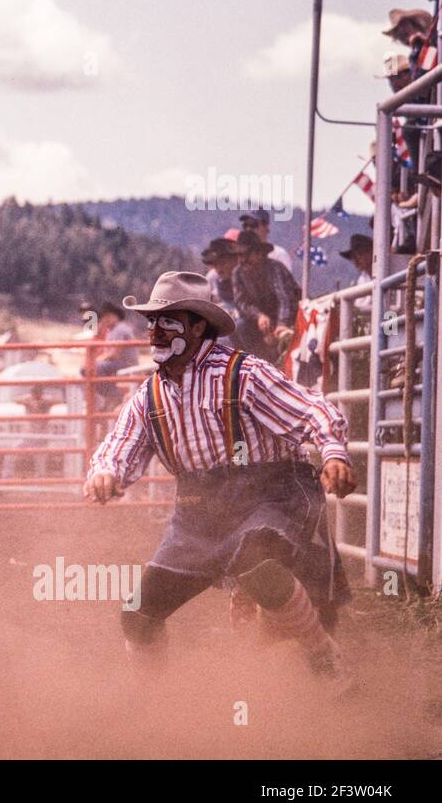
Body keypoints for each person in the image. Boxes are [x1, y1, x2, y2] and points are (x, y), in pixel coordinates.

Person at [83, 271, 356, 690]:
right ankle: (151, 697)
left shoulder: (243, 374)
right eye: (152, 321)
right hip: (200, 515)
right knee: (137, 613)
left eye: (167, 320)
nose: (154, 331)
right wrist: (106, 473)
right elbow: (120, 446)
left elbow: (310, 410)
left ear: (197, 326)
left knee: (258, 564)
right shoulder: (149, 397)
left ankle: (324, 657)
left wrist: (333, 453)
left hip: (271, 496)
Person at [231, 230, 301, 364]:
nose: (242, 260)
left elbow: (285, 298)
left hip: (290, 317)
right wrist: (259, 315)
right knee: (238, 327)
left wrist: (282, 324)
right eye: (240, 255)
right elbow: (241, 302)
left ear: (259, 254)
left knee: (286, 337)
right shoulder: (237, 273)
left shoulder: (275, 268)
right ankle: (258, 366)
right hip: (261, 321)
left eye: (247, 255)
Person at [201, 237, 243, 346]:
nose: (219, 269)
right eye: (215, 265)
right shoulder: (212, 279)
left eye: (223, 263)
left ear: (236, 260)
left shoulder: (247, 278)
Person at [339, 233, 374, 316]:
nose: (355, 260)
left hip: (391, 320)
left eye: (359, 254)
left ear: (372, 252)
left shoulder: (388, 272)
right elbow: (359, 307)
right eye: (352, 257)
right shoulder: (362, 279)